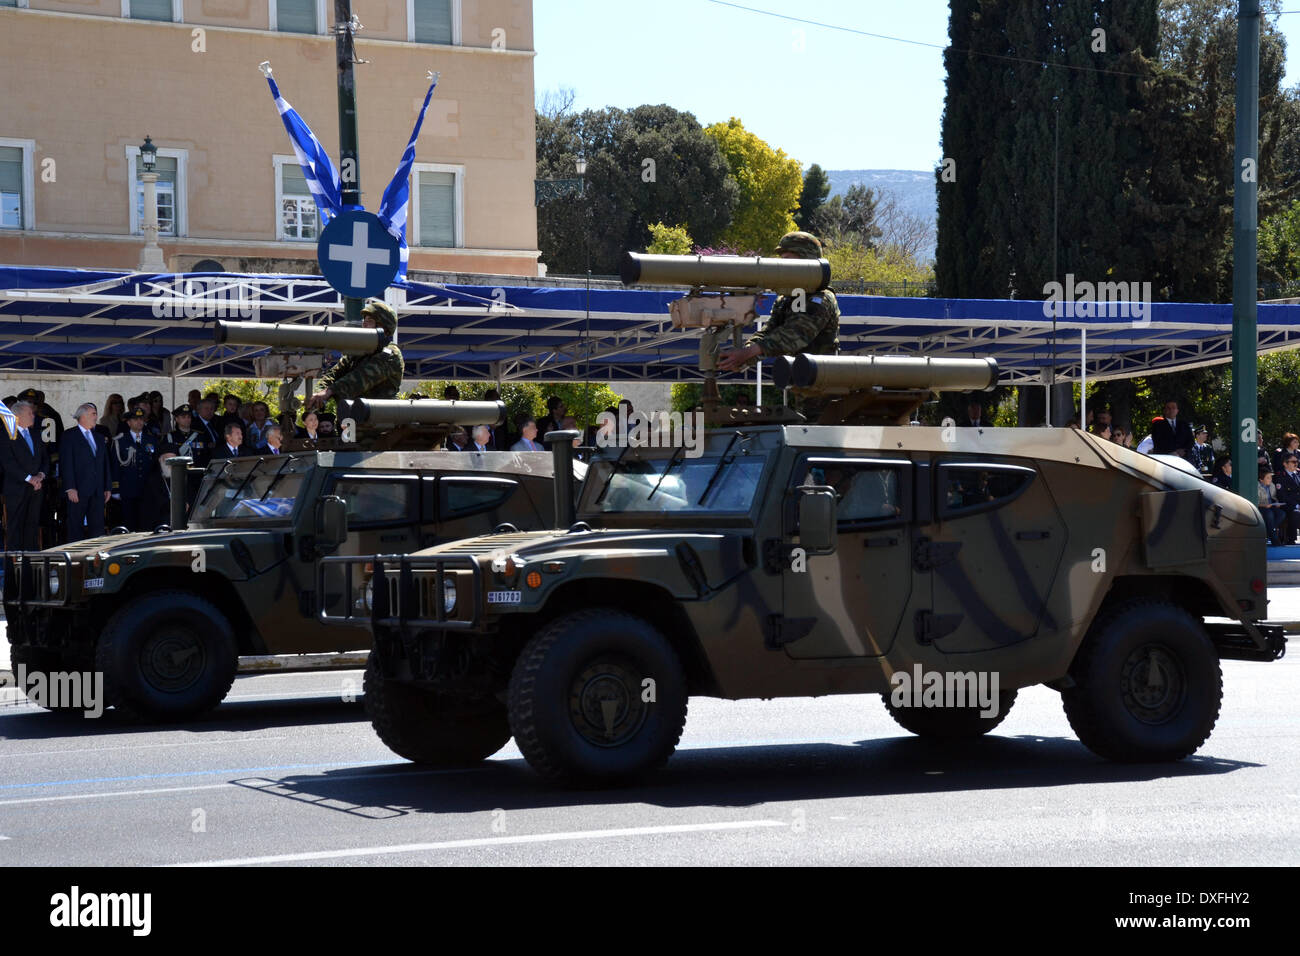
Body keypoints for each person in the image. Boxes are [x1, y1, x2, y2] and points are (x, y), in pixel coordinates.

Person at [717, 231, 839, 373]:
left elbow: (794, 335)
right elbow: (769, 331)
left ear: (806, 261)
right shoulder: (787, 298)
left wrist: (746, 354)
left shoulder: (821, 298)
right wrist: (744, 355)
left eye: (788, 260)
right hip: (802, 383)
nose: (782, 267)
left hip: (825, 382)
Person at [308, 299, 405, 409]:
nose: (364, 323)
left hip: (380, 418)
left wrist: (329, 391)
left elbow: (358, 380)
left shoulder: (390, 354)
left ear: (382, 326)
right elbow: (334, 373)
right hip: (353, 417)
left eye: (370, 320)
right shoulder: (360, 351)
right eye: (364, 319)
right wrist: (318, 393)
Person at [1, 400, 50, 551]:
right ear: (18, 416)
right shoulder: (5, 434)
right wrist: (29, 478)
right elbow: (8, 462)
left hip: (35, 490)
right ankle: (13, 572)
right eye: (30, 413)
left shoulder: (35, 434)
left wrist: (41, 475)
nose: (33, 416)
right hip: (17, 490)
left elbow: (45, 458)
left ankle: (31, 571)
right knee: (15, 530)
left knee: (32, 529)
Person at [60, 402, 111, 542]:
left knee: (97, 527)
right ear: (82, 416)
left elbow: (105, 464)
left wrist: (107, 487)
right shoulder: (69, 436)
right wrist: (70, 487)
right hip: (78, 489)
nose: (96, 417)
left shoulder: (99, 437)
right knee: (75, 526)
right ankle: (75, 559)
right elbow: (66, 463)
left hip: (97, 490)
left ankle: (96, 559)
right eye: (93, 414)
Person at [110, 408, 159, 532]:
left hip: (147, 490)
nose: (139, 422)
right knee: (129, 524)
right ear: (128, 423)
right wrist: (115, 488)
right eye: (135, 419)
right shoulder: (120, 441)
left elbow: (156, 466)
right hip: (127, 489)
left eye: (141, 419)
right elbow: (115, 465)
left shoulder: (151, 440)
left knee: (146, 524)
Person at [1259, 466, 1287, 546]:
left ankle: (1267, 533)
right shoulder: (1257, 486)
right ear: (1261, 480)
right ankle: (1274, 539)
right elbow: (1255, 501)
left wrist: (1277, 503)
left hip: (1271, 506)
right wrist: (1264, 505)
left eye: (1270, 477)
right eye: (1268, 478)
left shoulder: (1272, 485)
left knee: (1282, 513)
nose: (1270, 479)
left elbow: (1274, 497)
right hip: (1261, 506)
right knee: (1269, 514)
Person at [1277, 455, 1300, 544]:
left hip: (1297, 505)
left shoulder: (1298, 474)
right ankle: (1291, 539)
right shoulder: (1280, 476)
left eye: (1297, 461)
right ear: (1285, 464)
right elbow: (1282, 496)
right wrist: (1297, 505)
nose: (1296, 464)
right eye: (1293, 462)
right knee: (1296, 513)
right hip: (1287, 506)